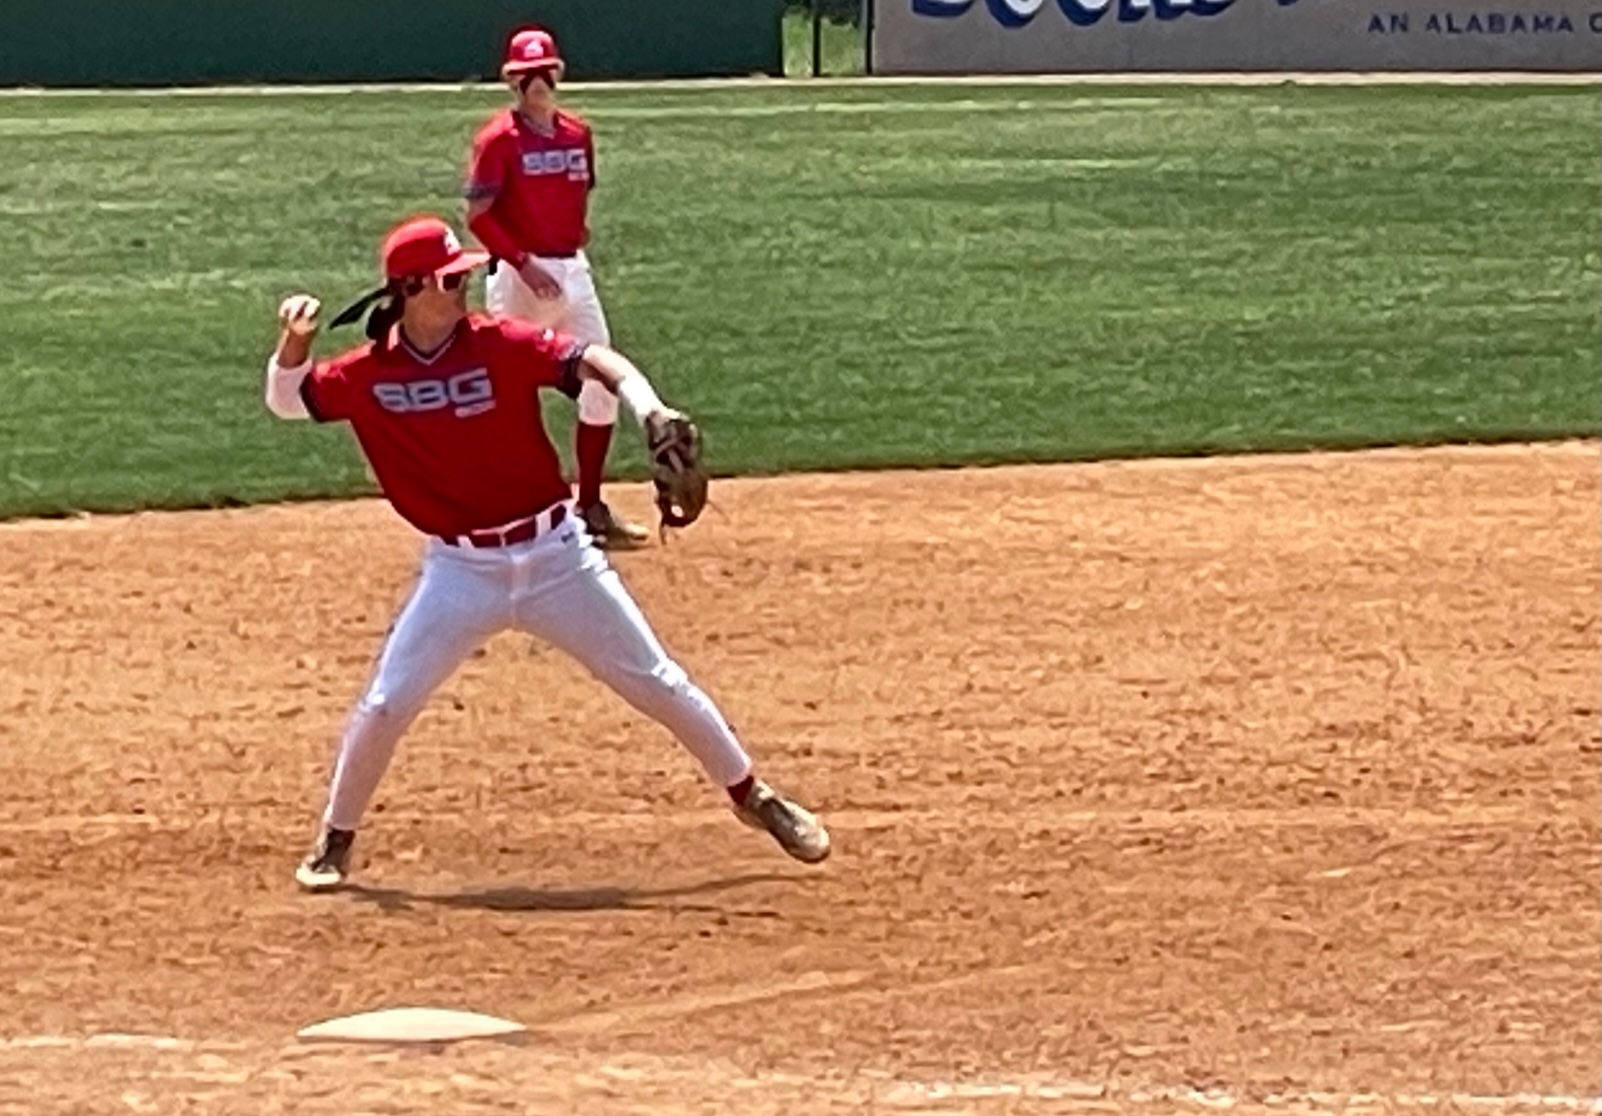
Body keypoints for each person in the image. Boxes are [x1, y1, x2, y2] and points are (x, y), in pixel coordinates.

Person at [263, 214, 831, 892]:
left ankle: (755, 797)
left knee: (656, 680)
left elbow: (594, 359)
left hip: (557, 555)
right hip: (459, 570)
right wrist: (292, 344)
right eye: (451, 278)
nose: (466, 285)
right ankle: (336, 838)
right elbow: (289, 402)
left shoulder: (497, 343)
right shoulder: (368, 376)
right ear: (411, 289)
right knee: (386, 704)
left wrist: (648, 408)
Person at [462, 25, 647, 550]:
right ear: (511, 81)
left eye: (545, 72)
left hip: (572, 269)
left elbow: (577, 196)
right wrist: (524, 262)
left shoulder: (577, 135)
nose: (537, 83)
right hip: (520, 278)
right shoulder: (497, 140)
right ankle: (511, 509)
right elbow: (479, 215)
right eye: (526, 76)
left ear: (559, 74)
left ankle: (589, 506)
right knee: (510, 393)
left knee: (603, 379)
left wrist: (567, 245)